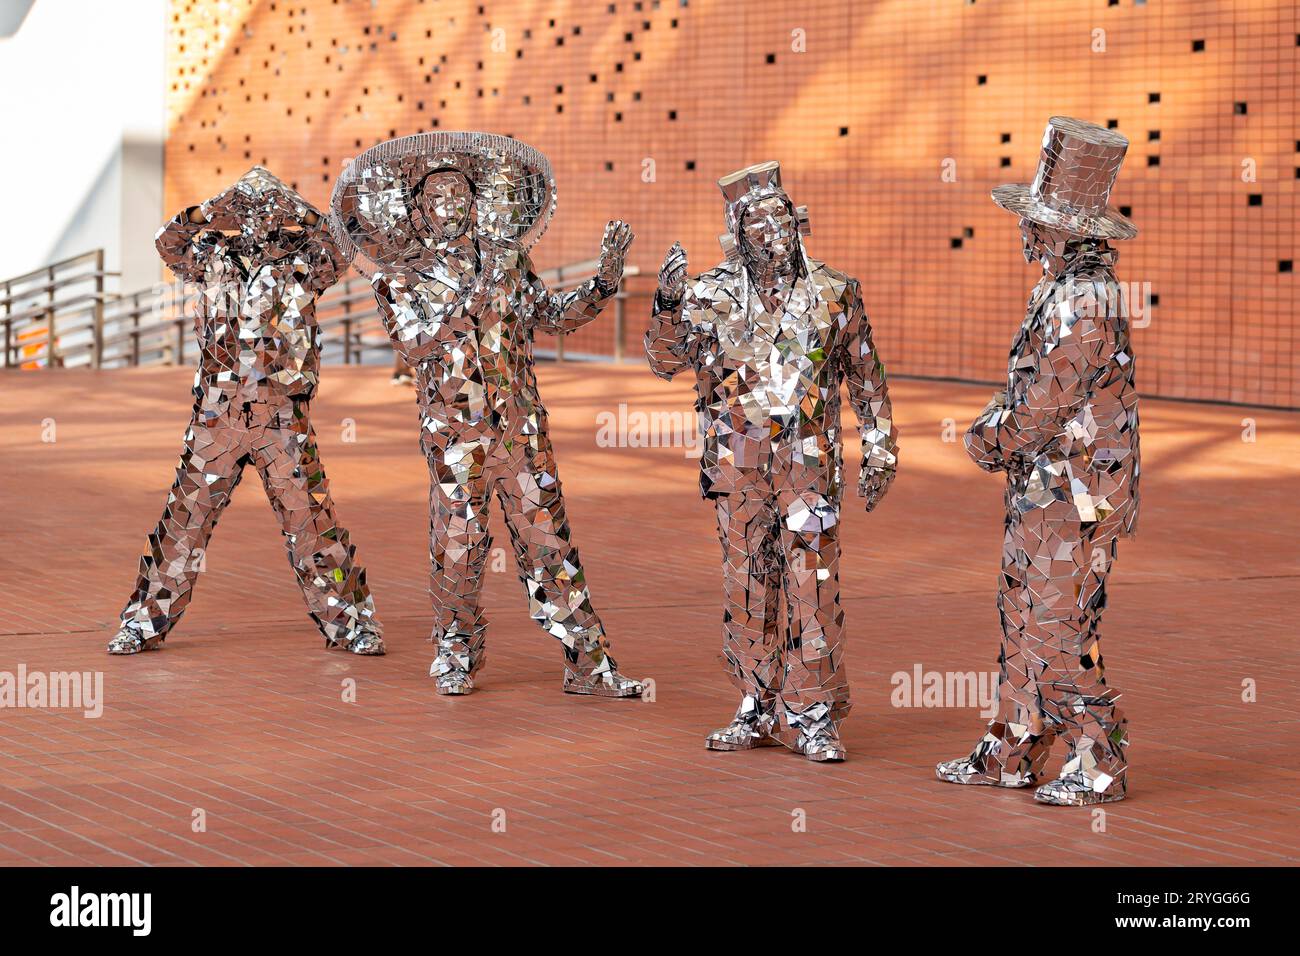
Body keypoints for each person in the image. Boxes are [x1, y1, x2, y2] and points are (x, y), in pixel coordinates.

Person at [331, 132, 641, 698]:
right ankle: (454, 655)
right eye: (436, 197)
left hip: (521, 432)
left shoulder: (507, 260)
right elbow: (416, 343)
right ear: (419, 210)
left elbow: (553, 317)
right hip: (455, 436)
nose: (449, 205)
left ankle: (589, 664)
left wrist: (604, 280)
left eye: (458, 194)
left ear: (474, 202)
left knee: (549, 539)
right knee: (458, 543)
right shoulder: (399, 277)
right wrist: (472, 301)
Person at [645, 162, 897, 761]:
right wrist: (665, 302)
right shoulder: (709, 295)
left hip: (809, 468)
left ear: (797, 221)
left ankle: (813, 713)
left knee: (813, 583)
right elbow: (664, 360)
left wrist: (881, 446)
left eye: (781, 214)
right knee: (748, 586)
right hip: (737, 467)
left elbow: (867, 377)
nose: (772, 227)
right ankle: (756, 704)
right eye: (756, 218)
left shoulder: (836, 292)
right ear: (737, 232)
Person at [935, 117, 1140, 805]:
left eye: (1034, 221)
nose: (1024, 232)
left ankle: (1097, 759)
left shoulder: (1085, 298)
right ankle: (1015, 746)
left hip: (1079, 493)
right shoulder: (1061, 289)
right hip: (1049, 486)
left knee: (1057, 622)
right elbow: (1031, 391)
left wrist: (987, 439)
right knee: (1022, 614)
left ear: (1060, 229)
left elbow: (1043, 404)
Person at [110, 167, 383, 655]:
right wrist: (207, 211)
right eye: (246, 207)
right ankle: (143, 622)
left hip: (282, 414)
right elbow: (166, 242)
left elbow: (342, 247)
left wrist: (300, 211)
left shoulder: (303, 260)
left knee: (311, 519)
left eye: (266, 206)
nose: (256, 217)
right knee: (183, 520)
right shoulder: (209, 252)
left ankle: (352, 623)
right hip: (218, 413)